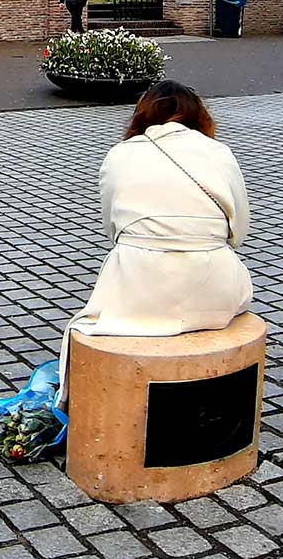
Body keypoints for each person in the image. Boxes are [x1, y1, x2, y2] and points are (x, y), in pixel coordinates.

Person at [59, 81, 252, 406]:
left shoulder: (121, 154)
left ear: (142, 115)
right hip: (214, 288)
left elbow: (113, 227)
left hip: (137, 287)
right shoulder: (218, 153)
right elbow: (240, 231)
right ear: (199, 116)